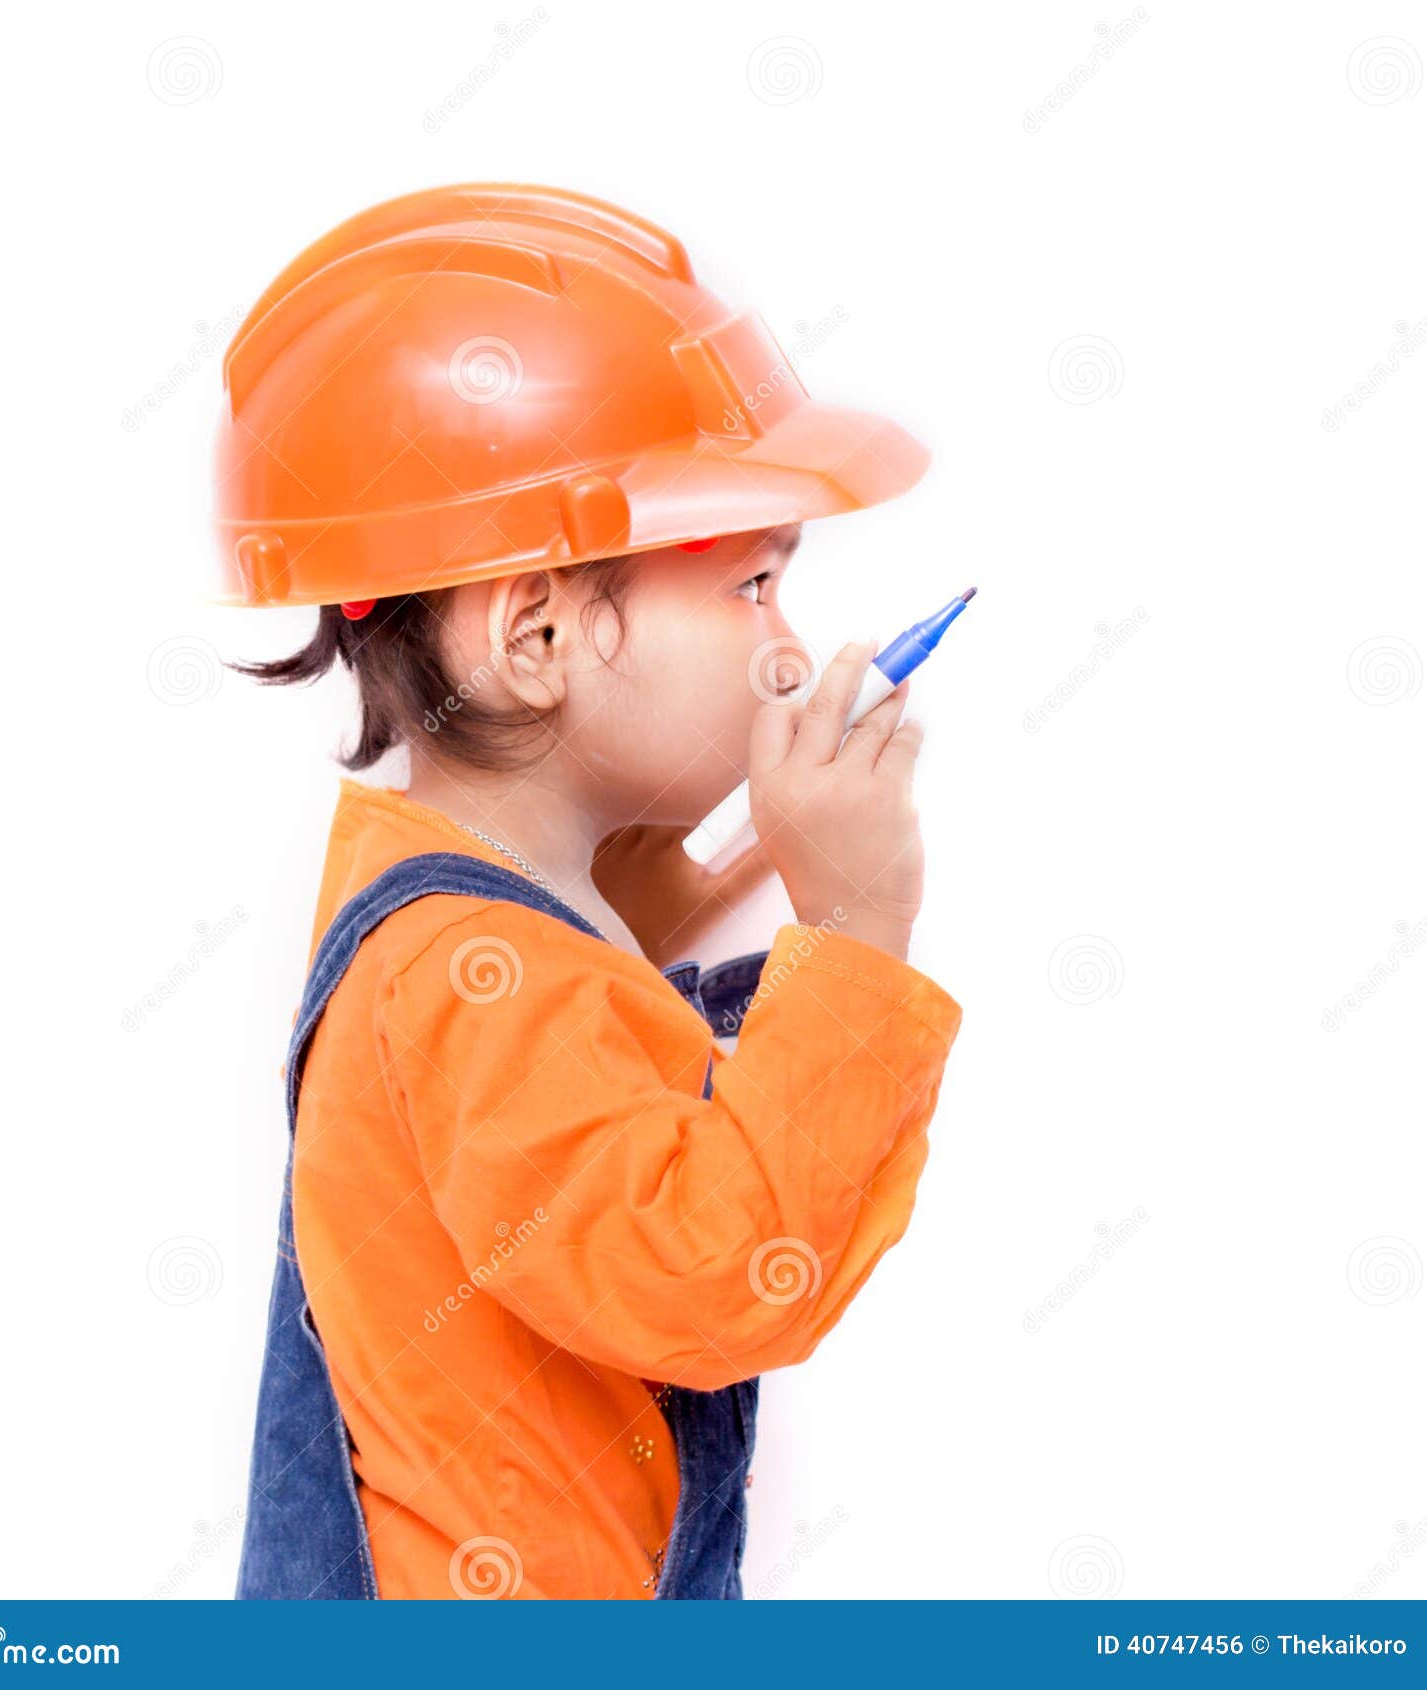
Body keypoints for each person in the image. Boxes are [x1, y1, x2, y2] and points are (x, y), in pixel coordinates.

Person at [212, 183, 963, 1600]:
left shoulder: (446, 897)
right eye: (751, 585)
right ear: (538, 635)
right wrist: (856, 930)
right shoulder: (463, 979)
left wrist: (694, 892)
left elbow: (574, 1039)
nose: (791, 651)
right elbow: (716, 1276)